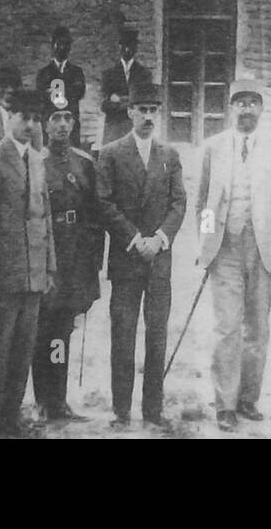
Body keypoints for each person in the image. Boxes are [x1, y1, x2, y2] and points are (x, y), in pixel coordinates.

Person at [197, 79, 271, 432]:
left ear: (261, 109)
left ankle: (247, 399)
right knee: (227, 327)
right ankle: (225, 403)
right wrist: (205, 246)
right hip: (225, 247)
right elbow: (203, 203)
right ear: (230, 108)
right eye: (240, 103)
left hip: (264, 248)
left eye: (253, 103)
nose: (246, 109)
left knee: (258, 327)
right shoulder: (214, 147)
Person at [95, 82, 185, 430]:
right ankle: (121, 410)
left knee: (157, 334)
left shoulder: (170, 155)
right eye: (142, 110)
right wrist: (135, 239)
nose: (148, 117)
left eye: (153, 110)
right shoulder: (112, 153)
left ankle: (153, 410)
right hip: (127, 258)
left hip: (159, 261)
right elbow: (104, 203)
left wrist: (160, 239)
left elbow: (179, 203)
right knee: (123, 334)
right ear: (130, 111)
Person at [0, 90, 56, 438]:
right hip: (5, 276)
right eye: (24, 117)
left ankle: (9, 419)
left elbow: (45, 217)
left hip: (33, 275)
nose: (30, 125)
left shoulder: (37, 160)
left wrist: (48, 269)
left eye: (36, 119)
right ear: (10, 117)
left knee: (23, 353)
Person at [31, 106, 103, 422]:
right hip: (48, 254)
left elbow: (95, 214)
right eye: (55, 119)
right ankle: (42, 399)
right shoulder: (35, 162)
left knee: (63, 329)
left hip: (75, 256)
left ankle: (58, 400)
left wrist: (93, 262)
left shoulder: (84, 163)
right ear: (45, 125)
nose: (62, 125)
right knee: (42, 327)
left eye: (67, 119)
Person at [99, 28, 152, 145]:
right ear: (119, 47)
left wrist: (118, 100)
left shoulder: (144, 74)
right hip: (114, 129)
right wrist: (130, 101)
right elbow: (104, 105)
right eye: (124, 45)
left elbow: (145, 102)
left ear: (136, 48)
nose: (127, 49)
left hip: (135, 129)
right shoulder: (108, 74)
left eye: (131, 45)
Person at [36, 26, 87, 149]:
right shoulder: (44, 73)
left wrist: (57, 91)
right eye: (59, 44)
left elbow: (79, 93)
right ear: (53, 46)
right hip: (51, 124)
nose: (62, 48)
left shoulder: (77, 72)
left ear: (70, 47)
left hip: (70, 124)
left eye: (66, 44)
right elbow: (40, 96)